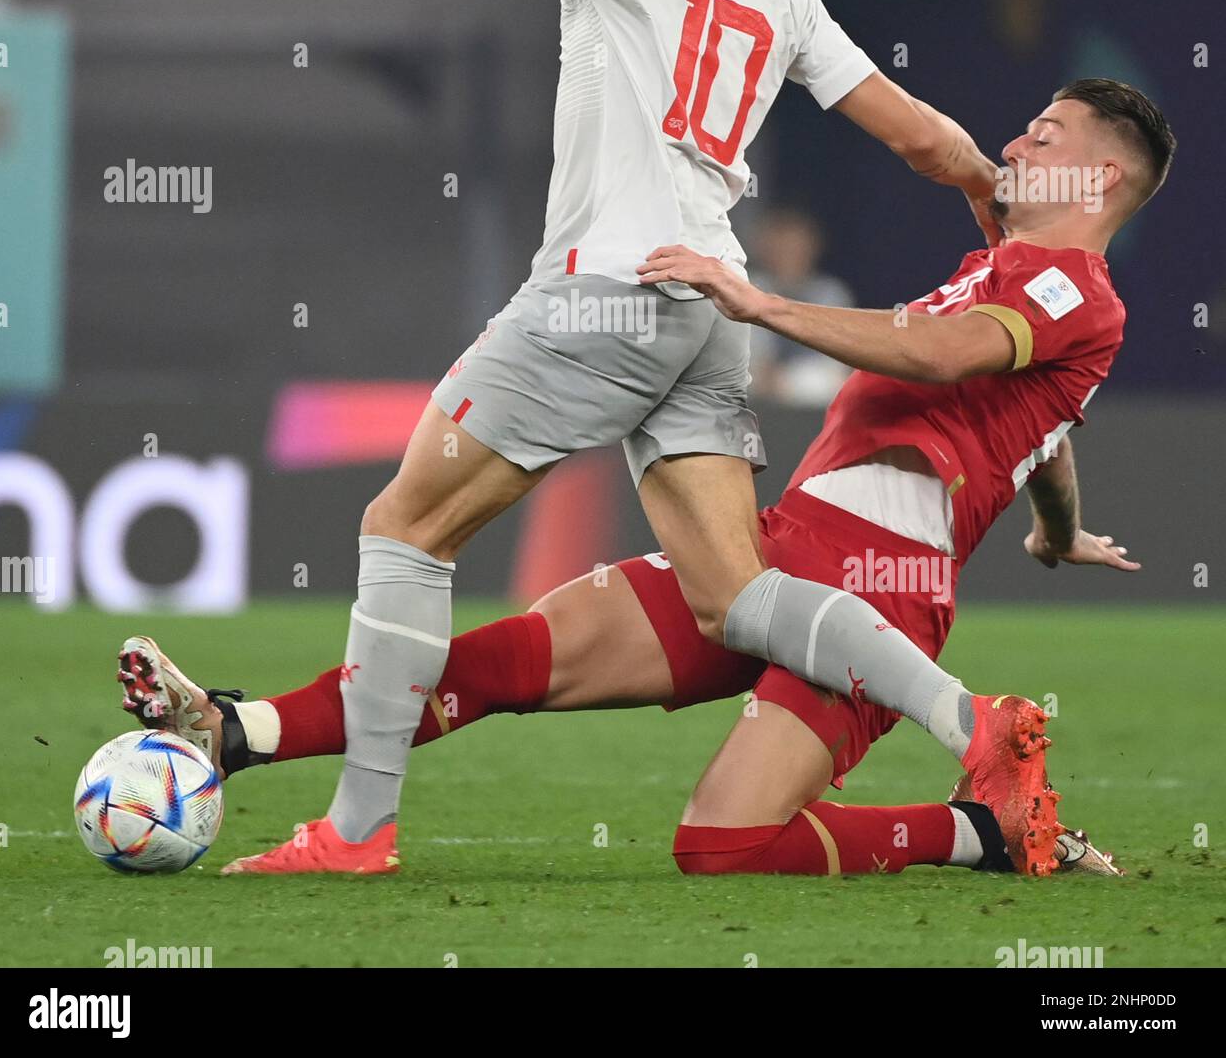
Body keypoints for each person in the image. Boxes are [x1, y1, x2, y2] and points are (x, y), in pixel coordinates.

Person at [221, 0, 1004, 873]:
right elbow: (915, 134)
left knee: (405, 525)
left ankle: (355, 833)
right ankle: (971, 726)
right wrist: (985, 186)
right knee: (733, 595)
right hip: (702, 307)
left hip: (599, 294)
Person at [121, 80, 1172, 879]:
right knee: (502, 660)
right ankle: (235, 731)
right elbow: (1045, 421)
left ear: (1105, 179)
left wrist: (759, 305)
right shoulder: (1006, 269)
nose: (1013, 140)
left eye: (1047, 133)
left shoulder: (1074, 287)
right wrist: (1054, 528)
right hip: (777, 547)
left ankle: (979, 829)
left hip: (880, 583)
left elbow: (944, 359)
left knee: (721, 845)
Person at [747, 209, 853, 407]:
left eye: (795, 245)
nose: (788, 252)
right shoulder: (748, 287)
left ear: (812, 246)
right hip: (756, 408)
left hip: (817, 408)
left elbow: (836, 371)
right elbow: (751, 367)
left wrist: (788, 381)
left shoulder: (831, 292)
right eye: (780, 245)